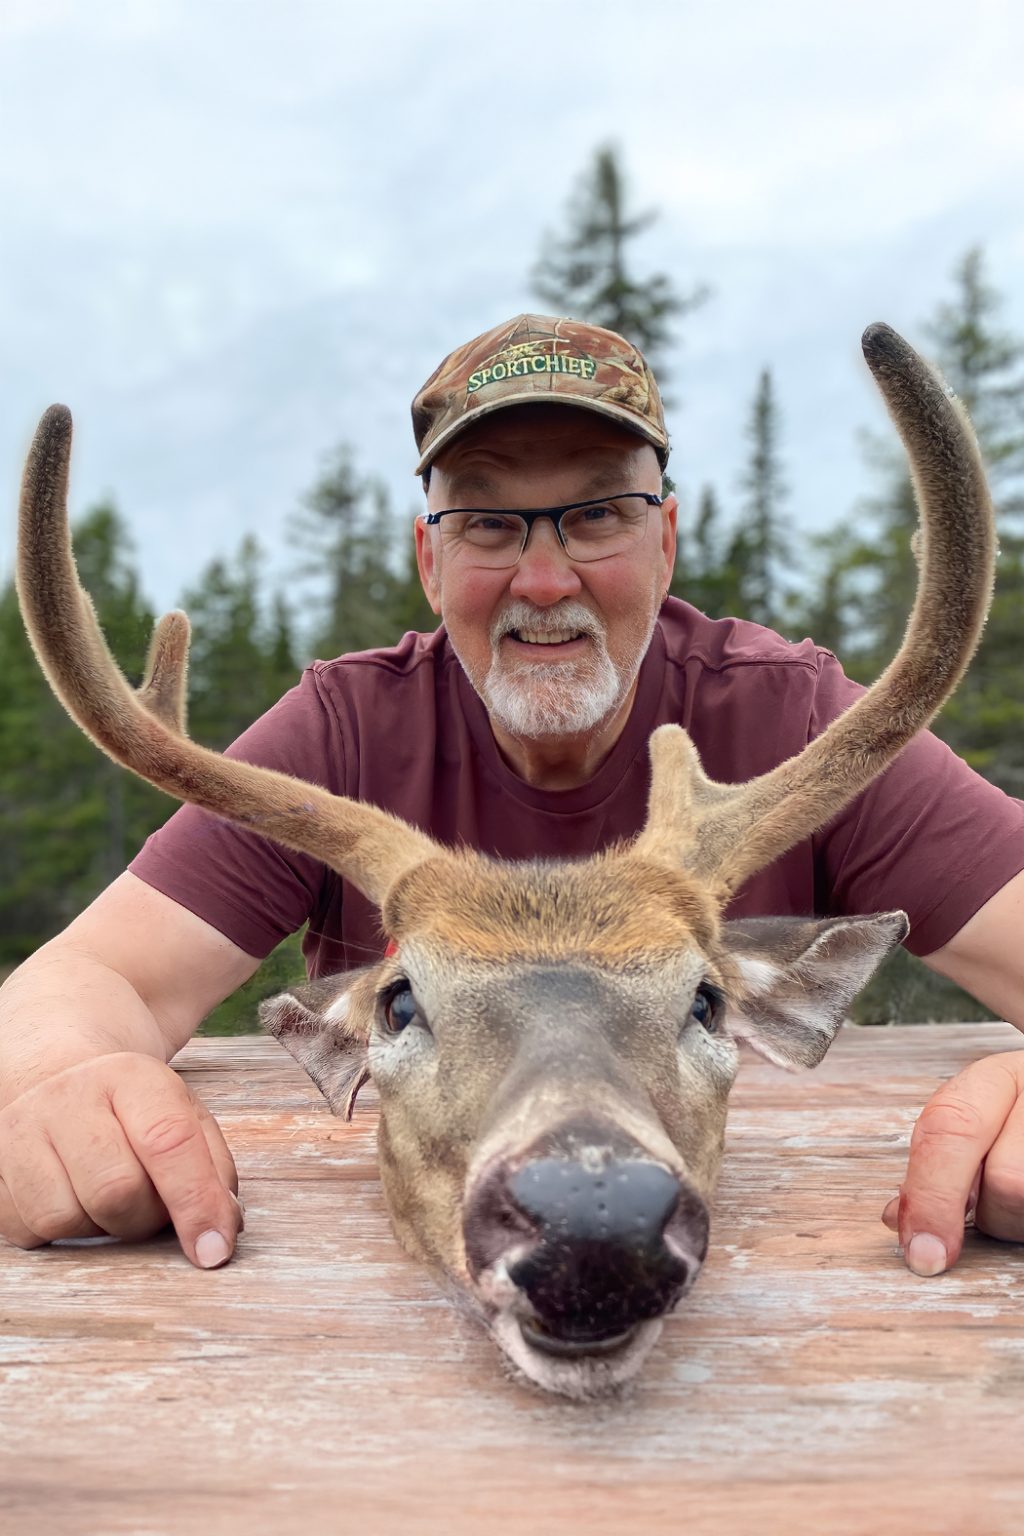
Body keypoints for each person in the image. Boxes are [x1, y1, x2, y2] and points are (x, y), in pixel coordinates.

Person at [2, 314, 1024, 1283]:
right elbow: (99, 980)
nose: (543, 579)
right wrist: (57, 1084)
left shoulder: (797, 723)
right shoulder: (344, 731)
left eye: (595, 517)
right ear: (430, 559)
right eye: (488, 522)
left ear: (664, 540)